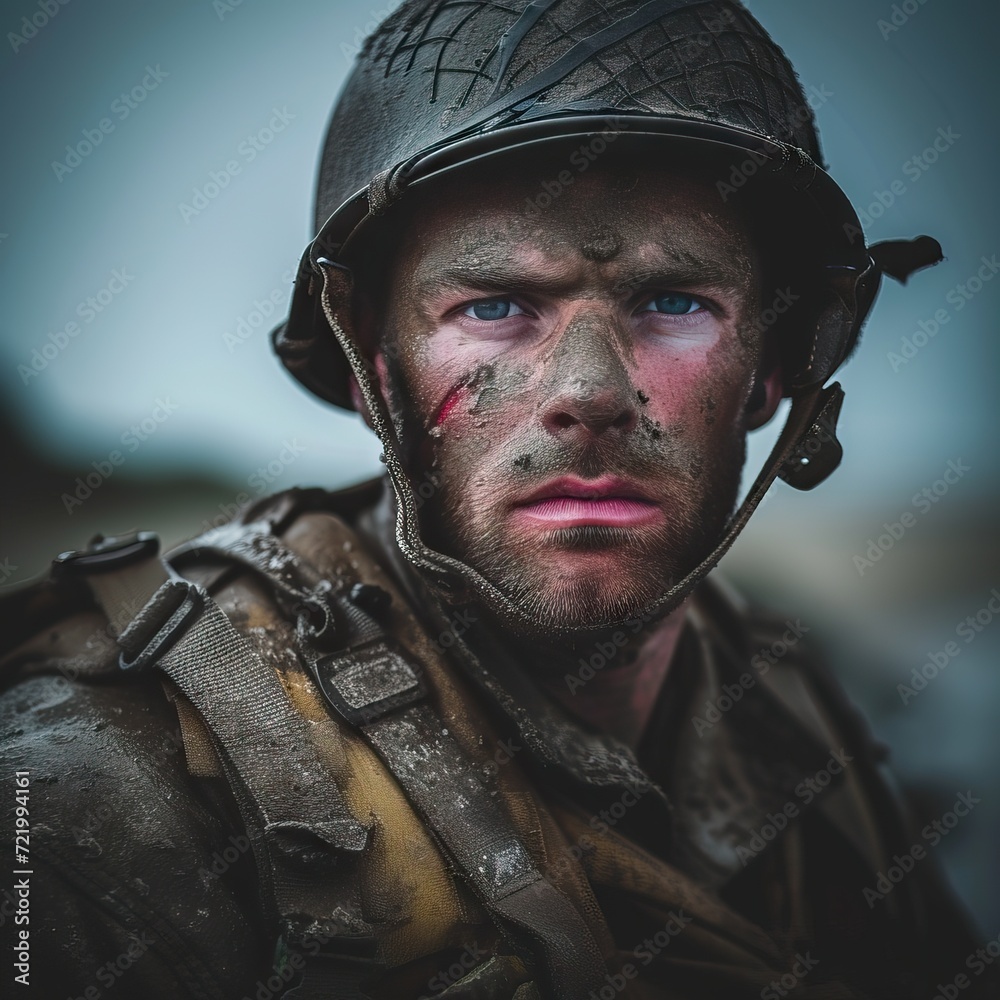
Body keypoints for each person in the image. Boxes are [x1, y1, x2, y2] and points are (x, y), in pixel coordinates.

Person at [1, 2, 992, 998]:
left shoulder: (795, 714)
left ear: (775, 367)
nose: (589, 395)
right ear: (375, 372)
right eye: (494, 307)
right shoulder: (85, 799)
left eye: (674, 302)